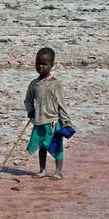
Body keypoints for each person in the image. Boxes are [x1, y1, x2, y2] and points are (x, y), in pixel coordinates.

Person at [24, 46, 74, 180]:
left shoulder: (56, 84)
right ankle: (42, 170)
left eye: (44, 64)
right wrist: (31, 111)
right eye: (38, 64)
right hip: (39, 122)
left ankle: (58, 171)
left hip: (53, 122)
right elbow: (28, 100)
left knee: (57, 148)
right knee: (42, 148)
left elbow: (61, 105)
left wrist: (66, 122)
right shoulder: (34, 84)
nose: (40, 67)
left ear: (51, 65)